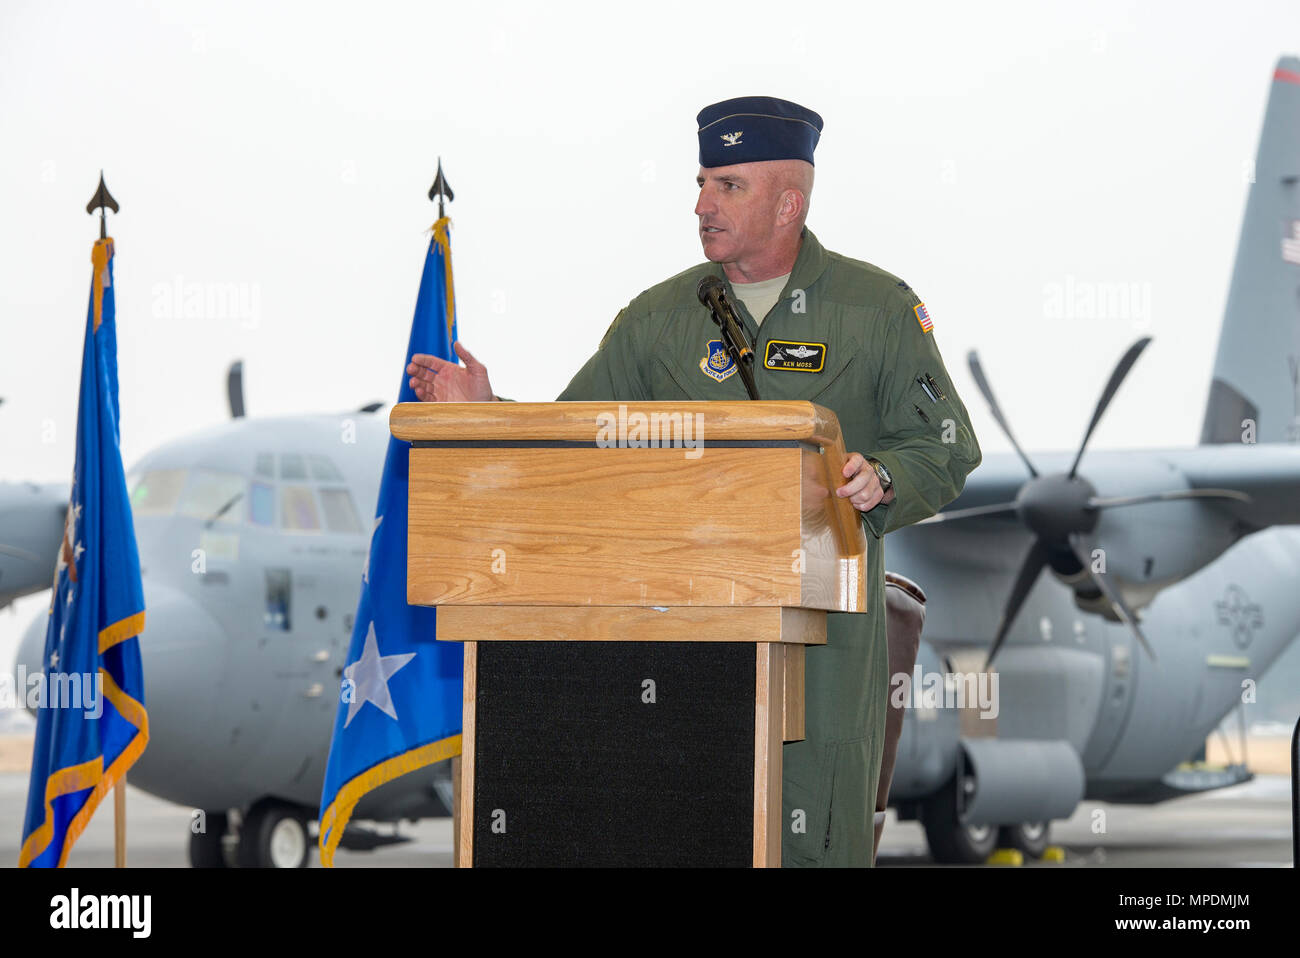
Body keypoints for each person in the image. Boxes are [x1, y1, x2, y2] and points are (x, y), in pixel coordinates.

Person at [406, 96, 981, 866]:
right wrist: (490, 412)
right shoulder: (660, 319)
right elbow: (579, 439)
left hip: (826, 644)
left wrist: (885, 477)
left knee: (811, 834)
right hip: (677, 653)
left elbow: (947, 445)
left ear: (789, 202)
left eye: (729, 186)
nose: (703, 204)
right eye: (702, 182)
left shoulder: (874, 310)